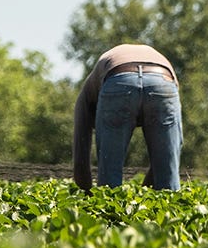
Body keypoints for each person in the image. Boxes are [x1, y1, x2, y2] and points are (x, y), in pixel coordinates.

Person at [73, 44, 183, 193]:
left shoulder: (85, 97)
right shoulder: (92, 88)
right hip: (163, 82)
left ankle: (110, 211)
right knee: (168, 184)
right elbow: (169, 153)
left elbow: (80, 160)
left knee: (109, 185)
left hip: (118, 80)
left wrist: (86, 194)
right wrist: (147, 194)